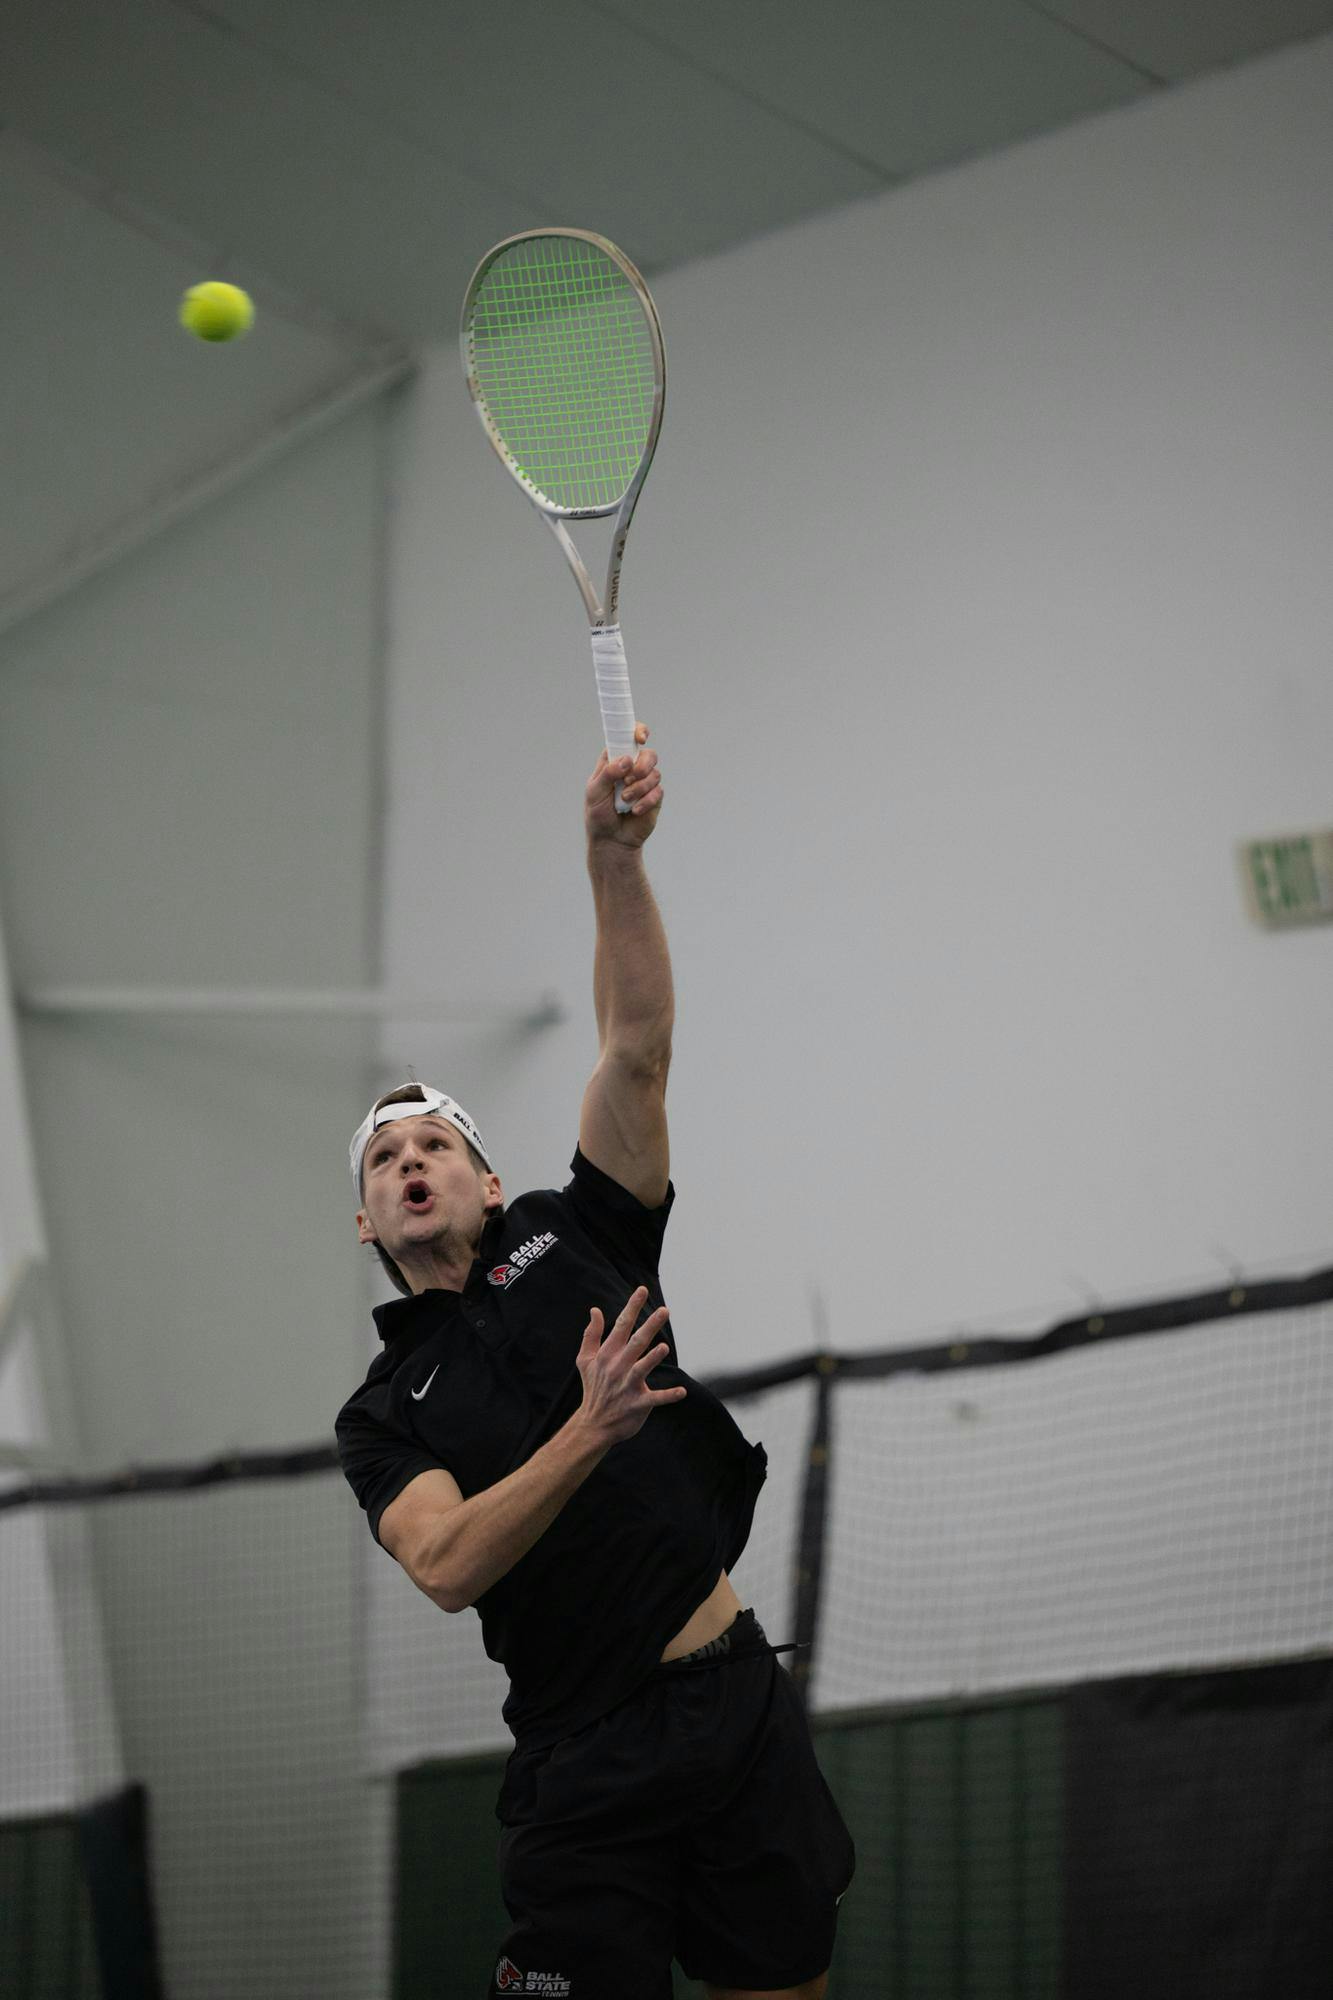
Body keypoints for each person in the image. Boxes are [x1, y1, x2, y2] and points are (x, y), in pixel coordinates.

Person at [335, 731, 855, 2000]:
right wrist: (587, 1429)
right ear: (367, 1222)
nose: (411, 1162)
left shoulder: (578, 1229)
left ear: (488, 1181)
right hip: (583, 1758)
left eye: (436, 1143)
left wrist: (610, 857)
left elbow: (636, 1046)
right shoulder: (381, 1411)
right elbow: (446, 1563)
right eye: (385, 1159)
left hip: (730, 1694)